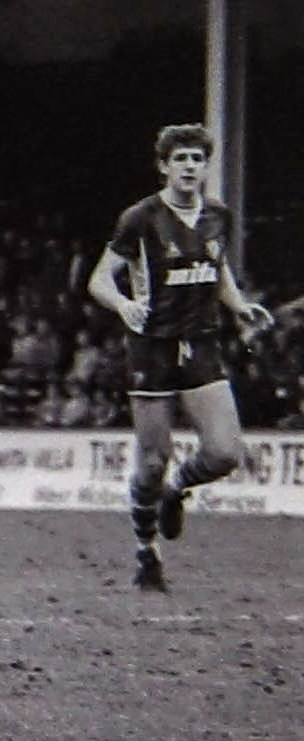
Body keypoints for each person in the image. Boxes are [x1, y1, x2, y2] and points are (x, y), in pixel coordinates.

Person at [85, 124, 277, 591]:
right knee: (152, 460)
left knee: (226, 453)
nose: (190, 167)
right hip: (152, 346)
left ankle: (177, 490)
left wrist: (238, 305)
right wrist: (124, 304)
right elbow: (99, 280)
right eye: (182, 159)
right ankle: (146, 552)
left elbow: (219, 268)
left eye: (197, 159)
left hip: (201, 343)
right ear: (164, 166)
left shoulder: (217, 216)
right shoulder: (141, 218)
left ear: (206, 166)